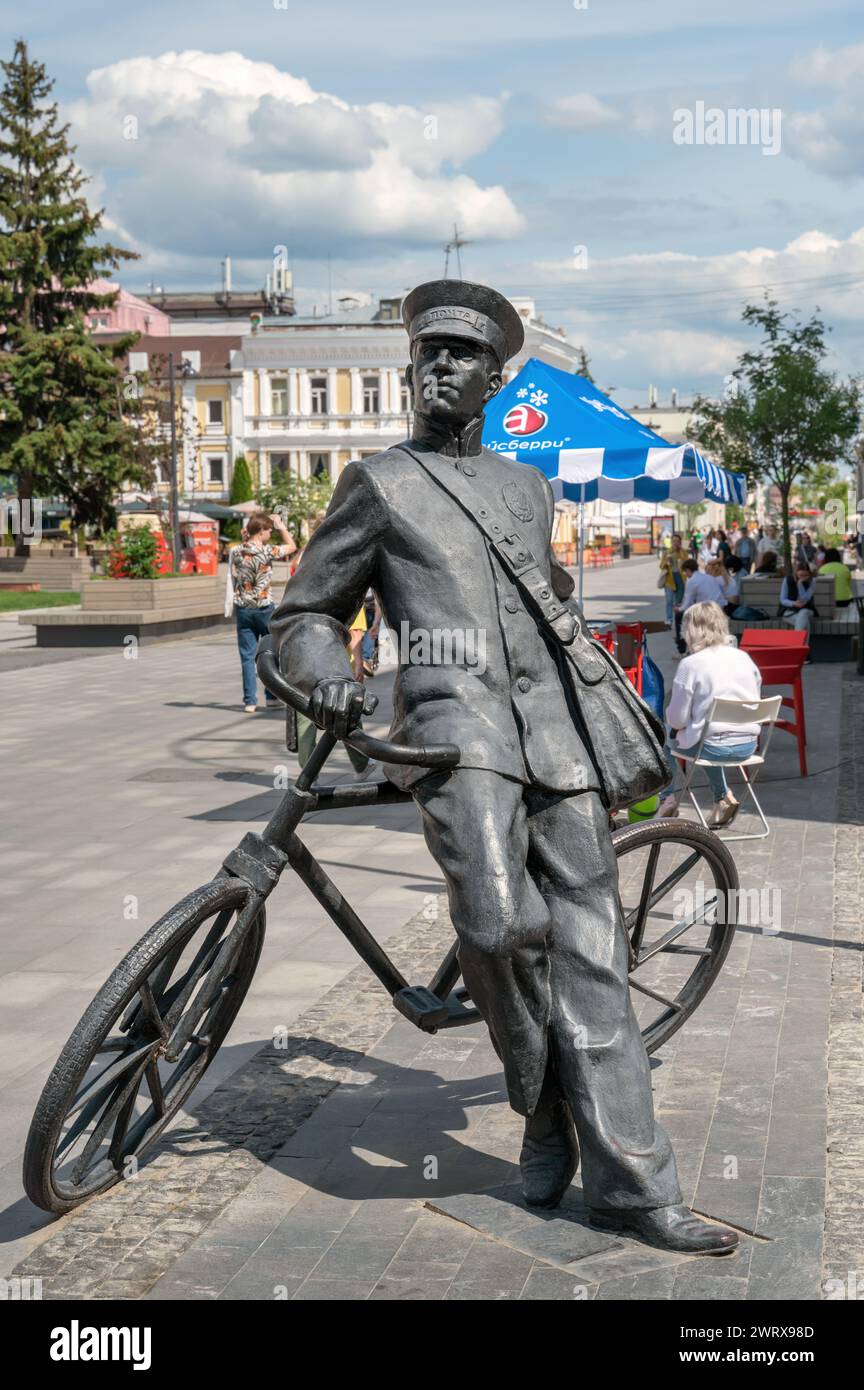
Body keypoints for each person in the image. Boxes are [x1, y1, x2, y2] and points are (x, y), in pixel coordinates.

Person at [271, 276, 737, 1255]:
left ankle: (634, 1187)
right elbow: (307, 613)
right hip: (456, 735)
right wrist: (330, 676)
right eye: (426, 351)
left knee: (594, 956)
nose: (438, 366)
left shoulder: (527, 488)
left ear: (494, 378)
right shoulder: (379, 483)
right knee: (498, 924)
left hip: (557, 738)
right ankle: (548, 1104)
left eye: (461, 354)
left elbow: (548, 599)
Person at [658, 601, 762, 828]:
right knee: (705, 734)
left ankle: (667, 798)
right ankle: (722, 798)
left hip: (711, 746)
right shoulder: (743, 658)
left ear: (691, 629)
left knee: (665, 736)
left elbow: (677, 720)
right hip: (747, 745)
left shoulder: (690, 665)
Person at [229, 512, 296, 712]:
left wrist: (246, 536)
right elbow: (292, 546)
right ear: (260, 531)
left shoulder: (236, 551)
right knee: (270, 653)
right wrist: (280, 525)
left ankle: (250, 701)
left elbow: (245, 550)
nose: (270, 533)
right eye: (268, 530)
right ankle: (272, 697)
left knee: (247, 657)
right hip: (264, 608)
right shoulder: (267, 551)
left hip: (243, 609)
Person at [658, 532, 685, 628]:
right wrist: (666, 561)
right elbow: (661, 566)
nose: (675, 543)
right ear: (671, 542)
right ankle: (669, 619)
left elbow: (687, 564)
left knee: (678, 602)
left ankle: (678, 620)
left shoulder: (683, 552)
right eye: (674, 541)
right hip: (669, 579)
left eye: (677, 541)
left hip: (680, 578)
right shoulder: (666, 553)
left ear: (680, 542)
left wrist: (682, 558)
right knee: (669, 600)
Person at [780, 562, 816, 633]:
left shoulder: (812, 581)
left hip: (807, 610)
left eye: (806, 575)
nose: (803, 577)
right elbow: (783, 600)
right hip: (789, 612)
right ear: (796, 573)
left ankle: (797, 639)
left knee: (804, 612)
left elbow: (804, 599)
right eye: (801, 575)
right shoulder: (788, 580)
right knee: (805, 623)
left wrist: (800, 585)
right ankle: (801, 640)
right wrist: (794, 603)